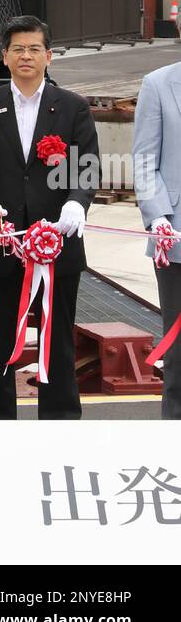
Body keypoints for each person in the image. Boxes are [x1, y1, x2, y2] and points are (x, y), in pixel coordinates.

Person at [0, 14, 98, 419]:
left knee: (57, 340)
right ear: (4, 56)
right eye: (18, 48)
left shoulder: (72, 108)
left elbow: (86, 167)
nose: (26, 56)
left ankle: (59, 424)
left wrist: (77, 202)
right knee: (0, 336)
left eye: (35, 48)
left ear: (49, 56)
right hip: (5, 244)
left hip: (57, 244)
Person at [133, 54, 181, 418]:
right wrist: (159, 218)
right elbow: (145, 161)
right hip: (176, 240)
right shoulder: (159, 84)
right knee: (179, 358)